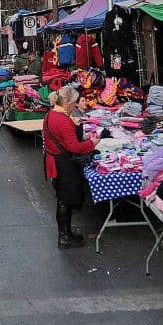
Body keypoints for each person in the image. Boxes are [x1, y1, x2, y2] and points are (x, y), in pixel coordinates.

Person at [42, 86, 96, 249]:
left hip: (55, 160)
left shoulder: (51, 114)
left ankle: (66, 234)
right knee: (65, 200)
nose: (74, 106)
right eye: (73, 103)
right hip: (63, 163)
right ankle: (64, 238)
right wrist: (91, 143)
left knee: (62, 199)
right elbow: (74, 147)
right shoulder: (63, 120)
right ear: (66, 102)